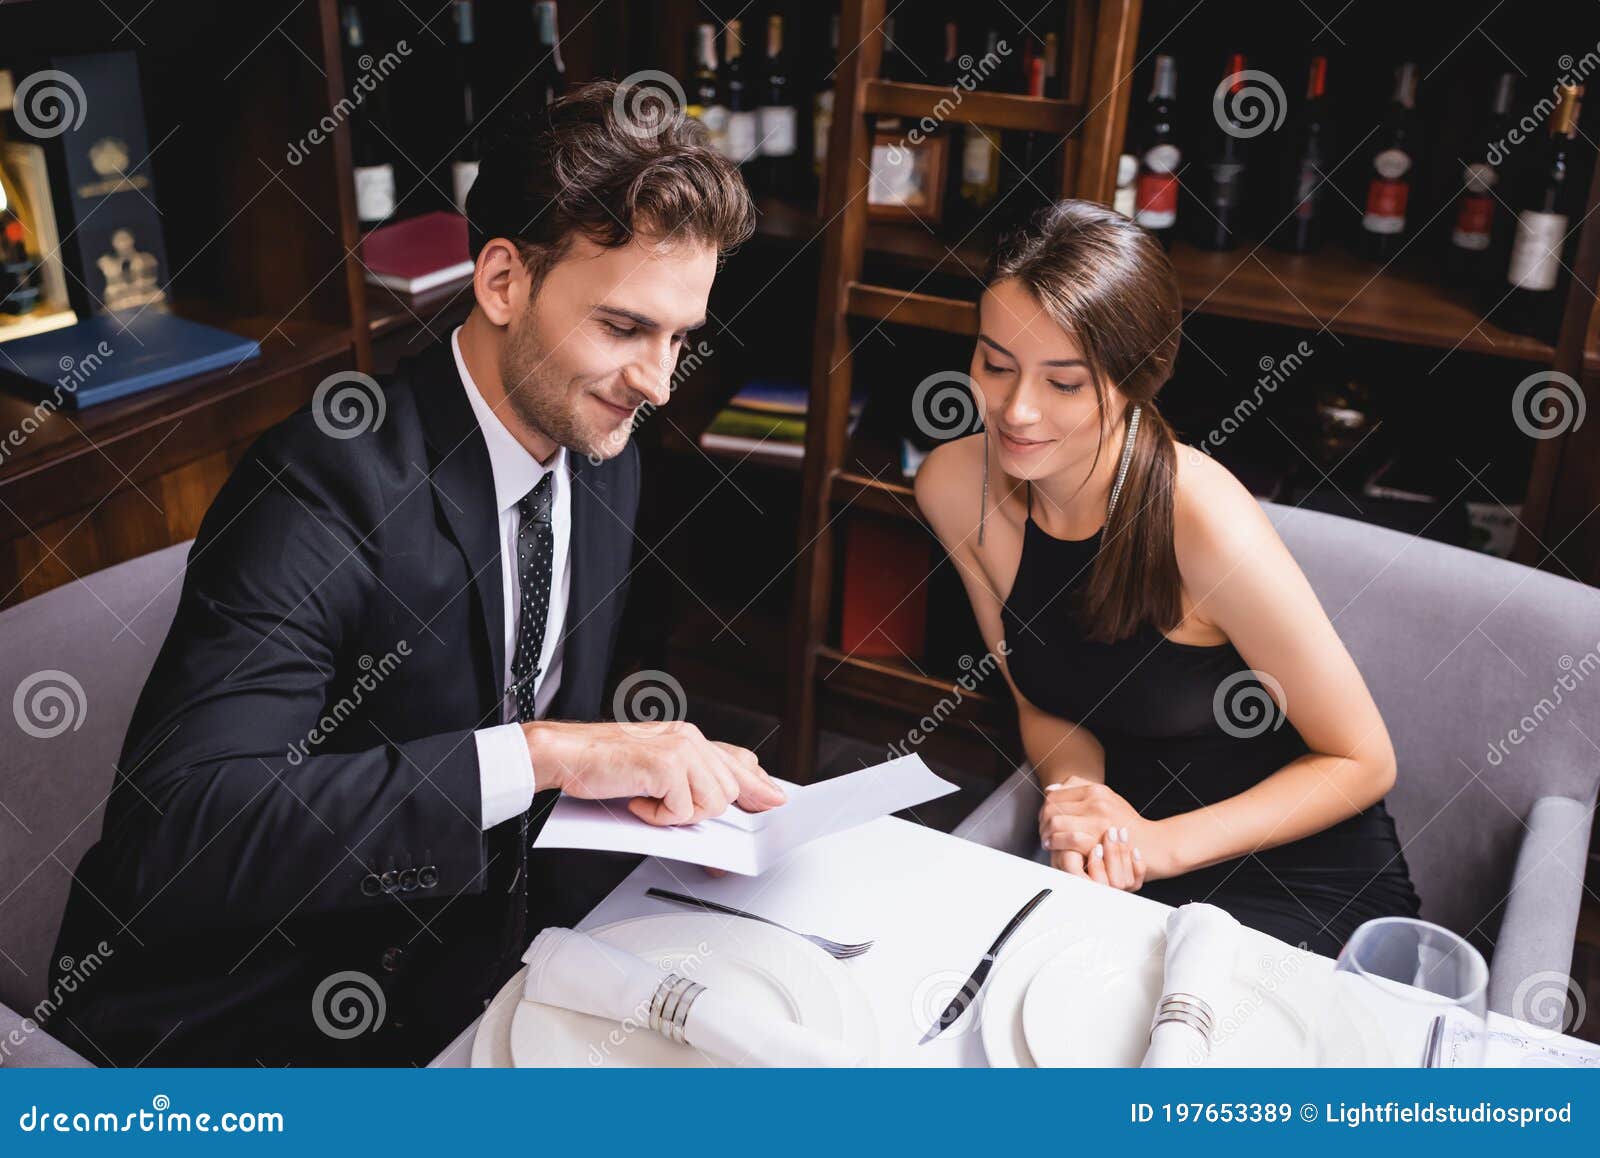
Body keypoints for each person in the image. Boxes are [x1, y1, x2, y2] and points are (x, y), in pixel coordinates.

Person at [47, 81, 782, 1066]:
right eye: (622, 328)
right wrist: (543, 752)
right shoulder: (323, 482)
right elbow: (179, 836)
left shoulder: (606, 454)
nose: (657, 383)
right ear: (503, 281)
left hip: (481, 966)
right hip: (257, 1018)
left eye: (679, 338)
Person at [914, 199, 1419, 955]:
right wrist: (1081, 805)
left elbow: (1363, 761)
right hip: (1130, 869)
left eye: (1064, 383)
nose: (1016, 411)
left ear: (1136, 378)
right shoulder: (953, 486)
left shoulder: (1201, 519)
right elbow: (1040, 700)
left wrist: (1156, 845)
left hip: (1298, 883)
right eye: (995, 364)